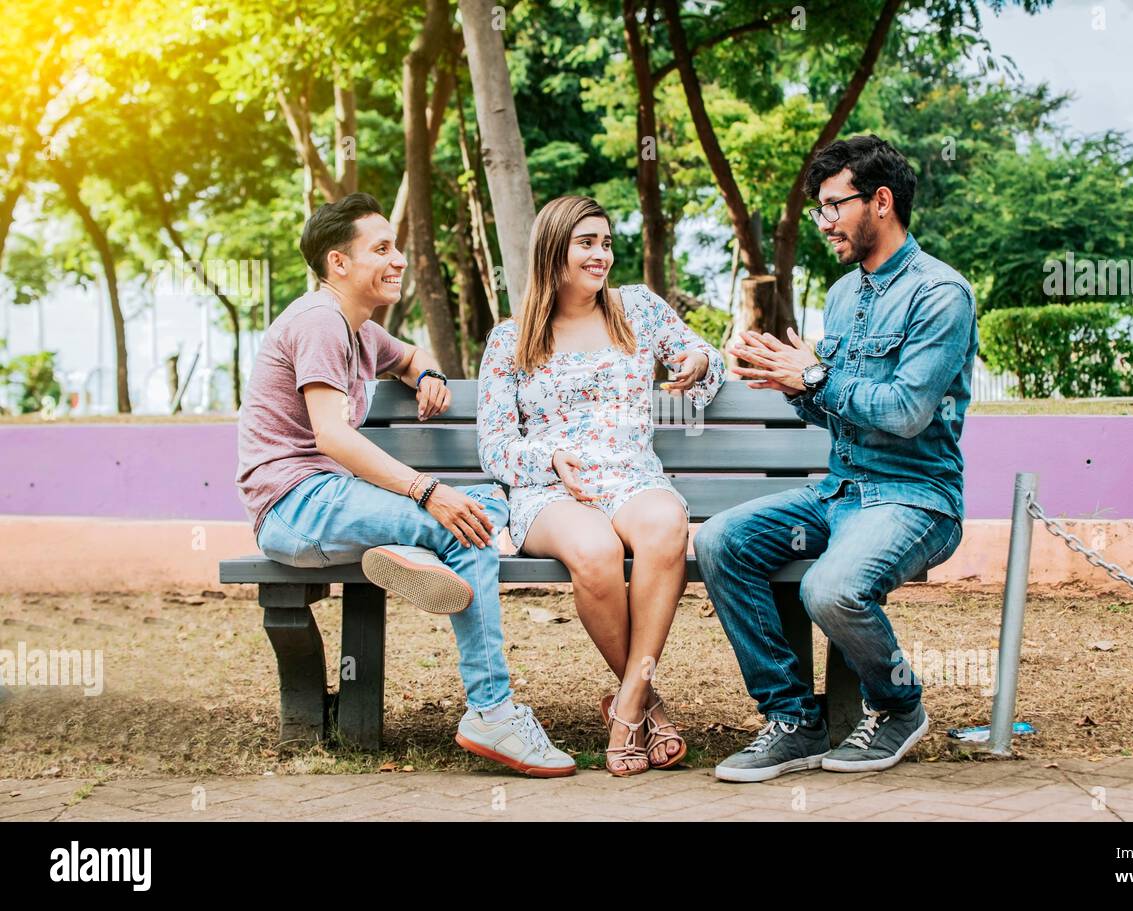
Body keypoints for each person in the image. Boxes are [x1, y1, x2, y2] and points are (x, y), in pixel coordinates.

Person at [236, 192, 574, 778]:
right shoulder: (319, 321)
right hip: (295, 504)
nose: (398, 261)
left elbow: (408, 355)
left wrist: (429, 373)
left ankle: (409, 549)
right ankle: (492, 711)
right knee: (469, 525)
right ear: (338, 264)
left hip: (328, 502)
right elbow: (333, 437)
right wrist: (426, 492)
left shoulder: (359, 330)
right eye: (382, 249)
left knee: (478, 507)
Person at [694, 135, 978, 782]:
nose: (823, 223)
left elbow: (906, 411)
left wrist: (816, 378)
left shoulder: (942, 295)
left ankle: (898, 705)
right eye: (818, 209)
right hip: (842, 491)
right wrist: (791, 382)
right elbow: (836, 405)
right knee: (720, 541)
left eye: (833, 206)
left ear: (880, 202)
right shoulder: (845, 293)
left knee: (831, 587)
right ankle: (794, 719)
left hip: (915, 497)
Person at [478, 195, 725, 776]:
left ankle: (628, 706)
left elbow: (700, 355)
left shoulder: (636, 308)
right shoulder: (510, 340)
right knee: (596, 550)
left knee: (667, 527)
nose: (602, 255)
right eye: (586, 242)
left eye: (607, 242)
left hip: (633, 475)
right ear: (553, 250)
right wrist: (547, 457)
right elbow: (494, 446)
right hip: (552, 489)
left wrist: (693, 360)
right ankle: (649, 706)